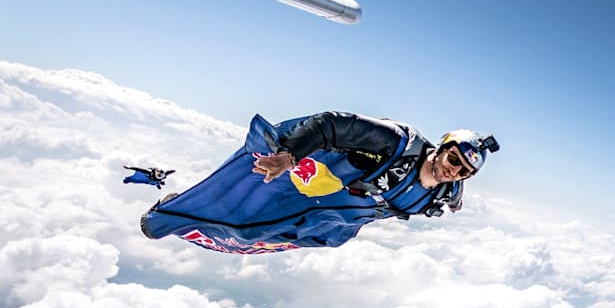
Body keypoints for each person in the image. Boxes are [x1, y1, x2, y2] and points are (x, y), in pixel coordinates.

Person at [139, 111, 499, 254]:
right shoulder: (393, 143)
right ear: (442, 147)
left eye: (465, 171)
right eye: (454, 159)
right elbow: (331, 126)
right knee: (245, 221)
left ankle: (182, 222)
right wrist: (289, 156)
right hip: (316, 190)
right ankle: (170, 214)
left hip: (337, 221)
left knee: (269, 237)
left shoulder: (442, 194)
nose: (455, 170)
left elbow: (439, 200)